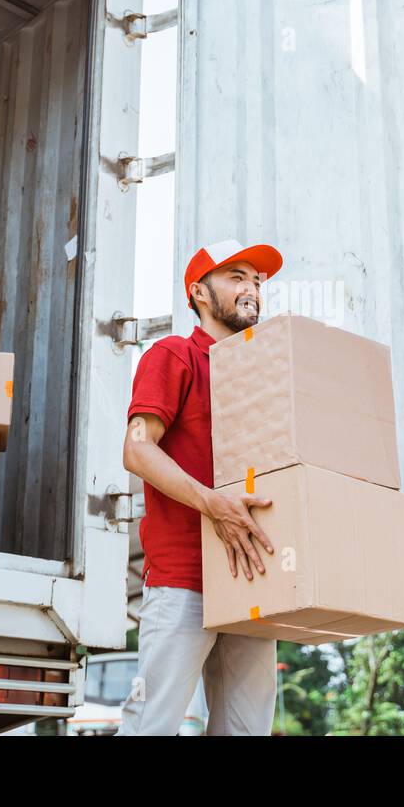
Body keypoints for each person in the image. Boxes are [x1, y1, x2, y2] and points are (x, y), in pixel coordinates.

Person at [115, 239, 284, 736]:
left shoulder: (264, 376)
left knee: (246, 729)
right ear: (200, 293)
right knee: (153, 724)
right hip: (184, 577)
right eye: (237, 277)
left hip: (254, 574)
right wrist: (215, 505)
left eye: (257, 280)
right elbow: (138, 449)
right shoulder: (175, 355)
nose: (252, 287)